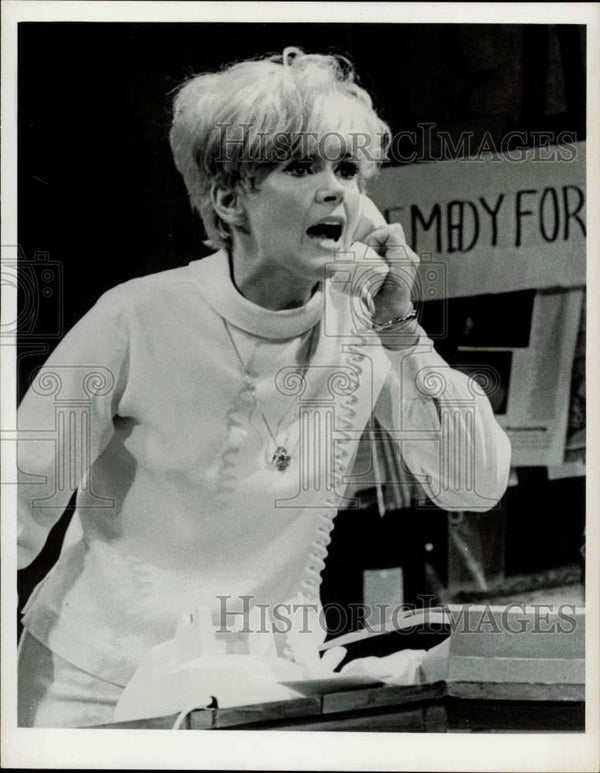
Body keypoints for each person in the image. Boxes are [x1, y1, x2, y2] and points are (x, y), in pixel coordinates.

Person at [17, 47, 511, 728]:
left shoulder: (368, 326)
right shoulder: (135, 317)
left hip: (260, 687)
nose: (335, 189)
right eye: (302, 167)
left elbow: (475, 481)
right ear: (229, 197)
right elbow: (17, 498)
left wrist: (402, 324)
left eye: (346, 169)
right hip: (91, 684)